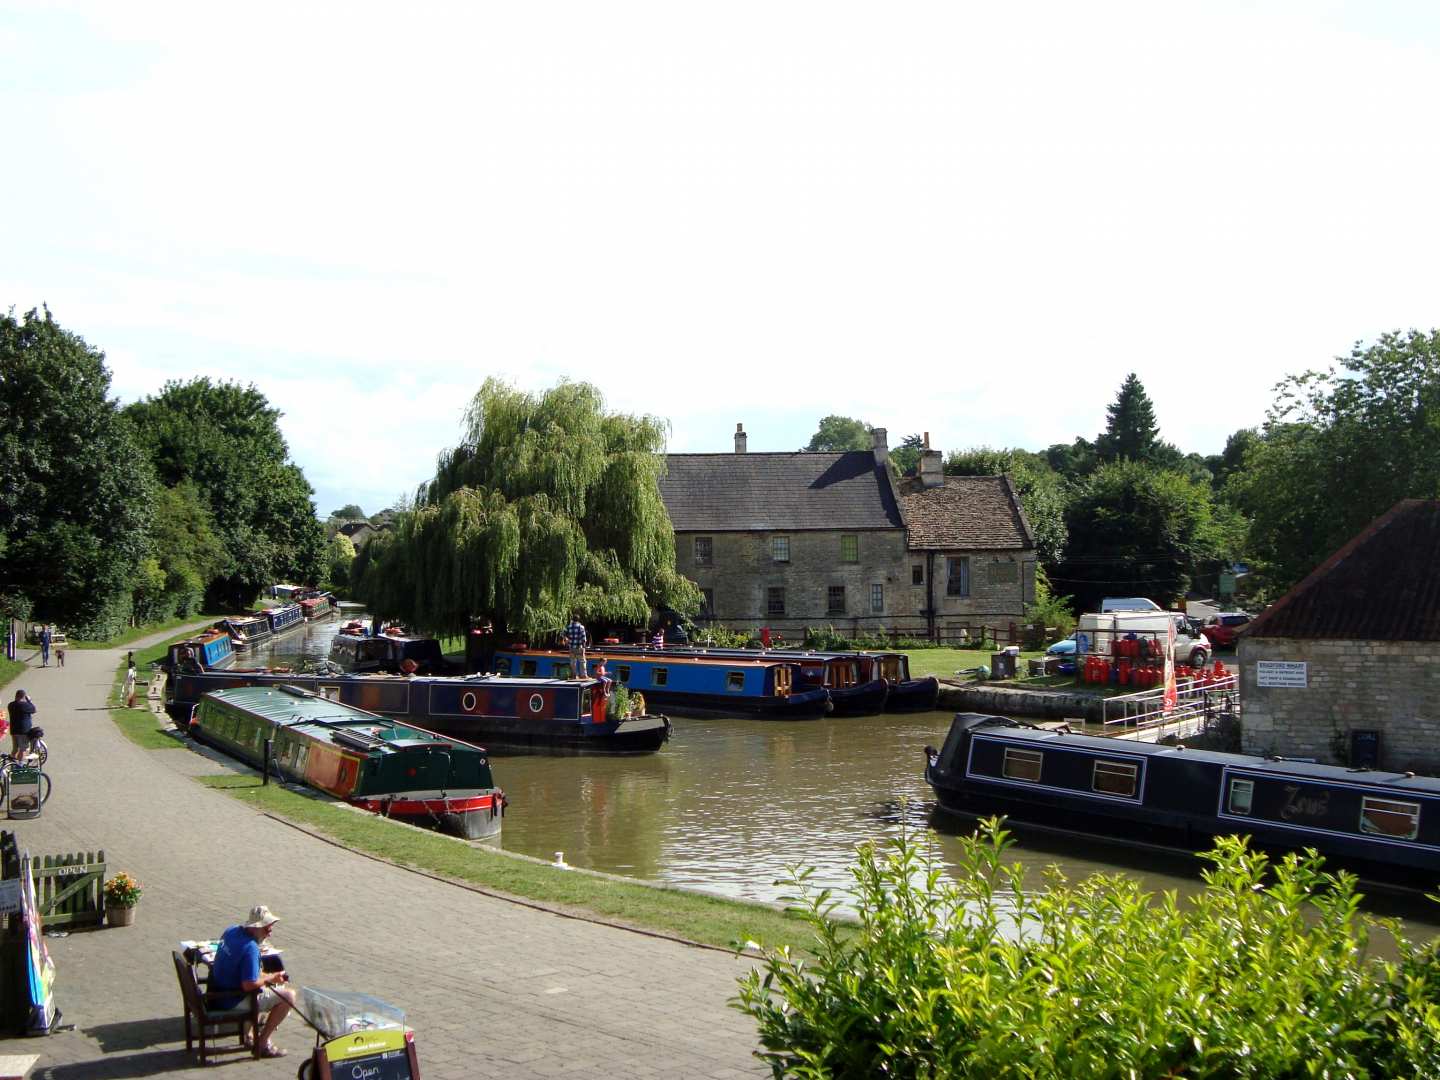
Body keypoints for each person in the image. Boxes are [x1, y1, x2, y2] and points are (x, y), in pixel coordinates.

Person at [208, 905, 294, 1058]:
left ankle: (249, 1035)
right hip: (230, 1000)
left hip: (216, 990)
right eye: (267, 928)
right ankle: (262, 1043)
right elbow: (248, 985)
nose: (270, 932)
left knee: (268, 987)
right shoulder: (251, 948)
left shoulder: (231, 931)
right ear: (256, 928)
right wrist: (271, 978)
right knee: (288, 996)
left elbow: (242, 969)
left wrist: (267, 977)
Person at [7, 691, 35, 757]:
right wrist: (29, 701)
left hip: (14, 730)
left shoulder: (10, 705)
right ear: (23, 697)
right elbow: (34, 709)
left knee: (15, 749)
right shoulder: (24, 705)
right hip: (23, 731)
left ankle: (12, 761)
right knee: (23, 749)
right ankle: (20, 763)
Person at [565, 613, 588, 679]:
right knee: (582, 661)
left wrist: (566, 640)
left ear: (572, 619)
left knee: (573, 661)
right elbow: (584, 638)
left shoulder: (568, 626)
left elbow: (563, 634)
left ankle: (574, 675)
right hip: (579, 647)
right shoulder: (581, 627)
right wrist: (584, 648)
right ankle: (583, 675)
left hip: (571, 647)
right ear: (578, 620)